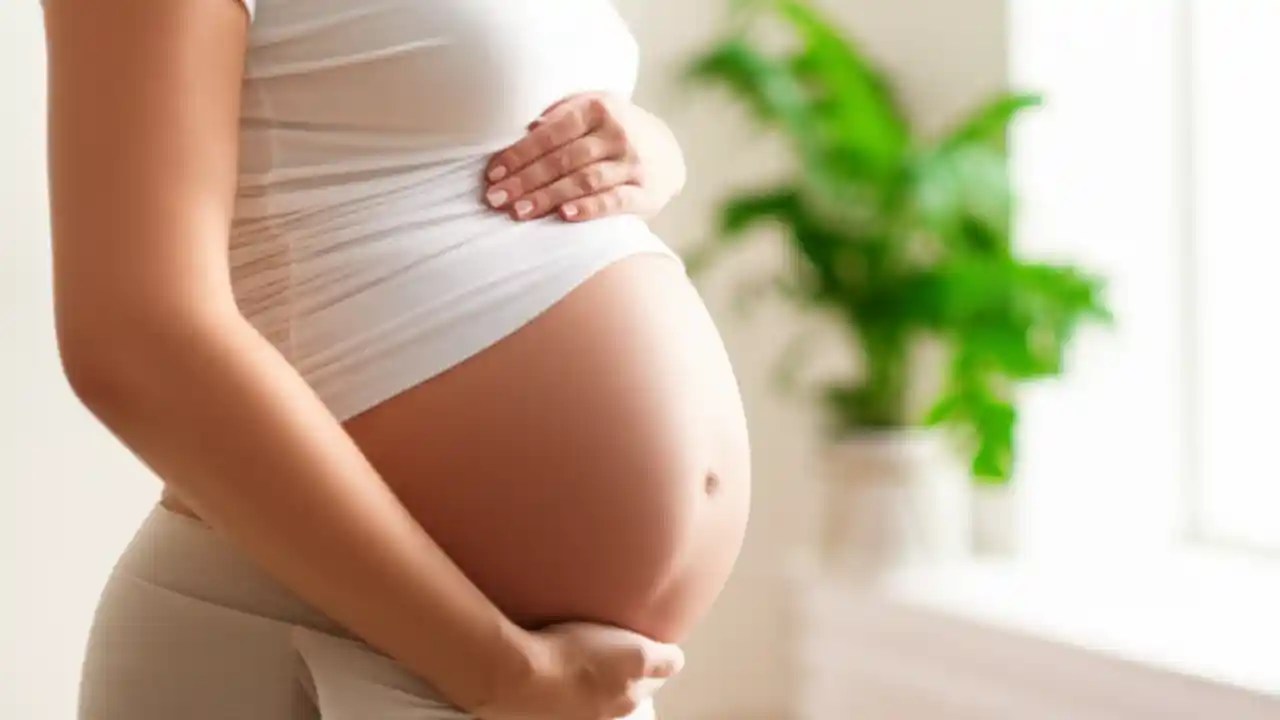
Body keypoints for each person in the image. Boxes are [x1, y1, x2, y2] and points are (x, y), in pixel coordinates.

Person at [43, 0, 751, 718]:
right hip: (340, 649)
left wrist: (648, 150)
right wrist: (494, 668)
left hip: (550, 681)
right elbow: (133, 334)